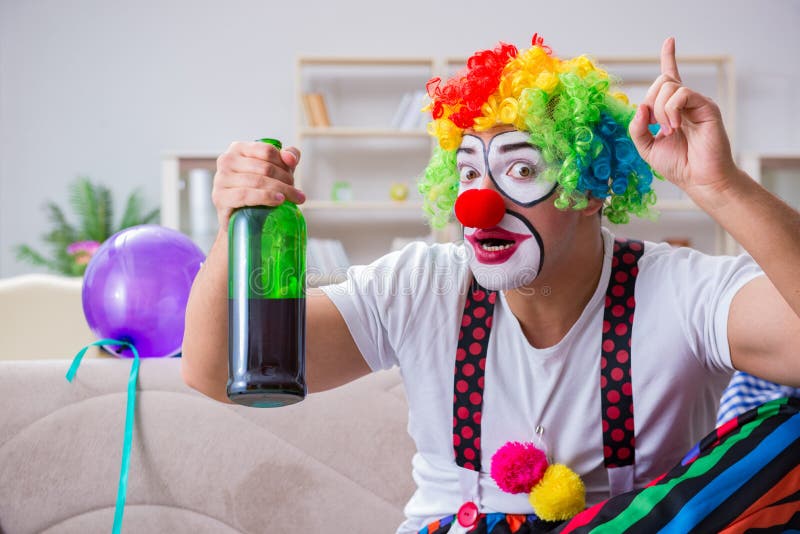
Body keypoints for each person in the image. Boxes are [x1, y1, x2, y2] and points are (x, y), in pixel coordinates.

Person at [181, 35, 800, 533]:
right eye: (470, 170)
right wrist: (236, 222)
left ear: (588, 188)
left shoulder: (681, 291)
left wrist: (721, 186)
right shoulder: (422, 284)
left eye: (522, 169)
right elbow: (212, 372)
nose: (479, 203)